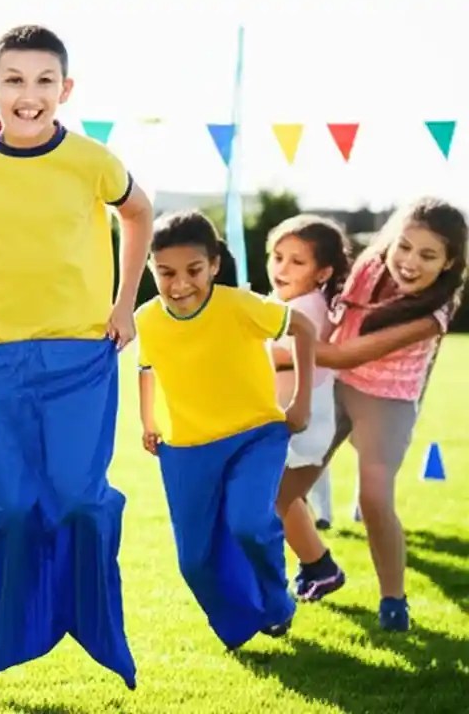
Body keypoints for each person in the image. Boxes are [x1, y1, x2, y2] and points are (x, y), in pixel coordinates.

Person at [0, 25, 152, 688]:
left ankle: (95, 624)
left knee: (77, 495)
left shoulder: (92, 160)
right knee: (11, 505)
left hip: (80, 353)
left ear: (65, 90)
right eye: (14, 80)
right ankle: (14, 632)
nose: (29, 94)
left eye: (44, 81)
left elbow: (139, 212)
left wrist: (126, 298)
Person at [274, 197, 467, 632]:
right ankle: (317, 566)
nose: (410, 262)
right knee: (281, 491)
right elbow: (325, 312)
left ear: (449, 262)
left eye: (428, 255)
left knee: (374, 499)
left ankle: (393, 600)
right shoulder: (369, 266)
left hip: (387, 399)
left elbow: (345, 353)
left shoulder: (434, 313)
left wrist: (271, 347)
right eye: (404, 247)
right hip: (335, 389)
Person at [137, 211, 317, 650]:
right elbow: (147, 367)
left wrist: (300, 402)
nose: (180, 284)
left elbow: (305, 328)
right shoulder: (146, 319)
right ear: (150, 270)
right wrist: (148, 421)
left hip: (255, 435)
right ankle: (240, 623)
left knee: (250, 524)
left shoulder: (239, 304)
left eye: (193, 271)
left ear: (214, 264)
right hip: (186, 448)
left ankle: (277, 604)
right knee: (194, 562)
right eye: (166, 273)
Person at [264, 215, 352, 548]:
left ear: (323, 274)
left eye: (297, 262)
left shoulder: (305, 309)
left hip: (302, 421)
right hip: (298, 421)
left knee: (275, 501)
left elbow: (278, 353)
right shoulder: (287, 303)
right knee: (283, 501)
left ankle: (313, 562)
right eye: (277, 257)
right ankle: (313, 563)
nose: (282, 268)